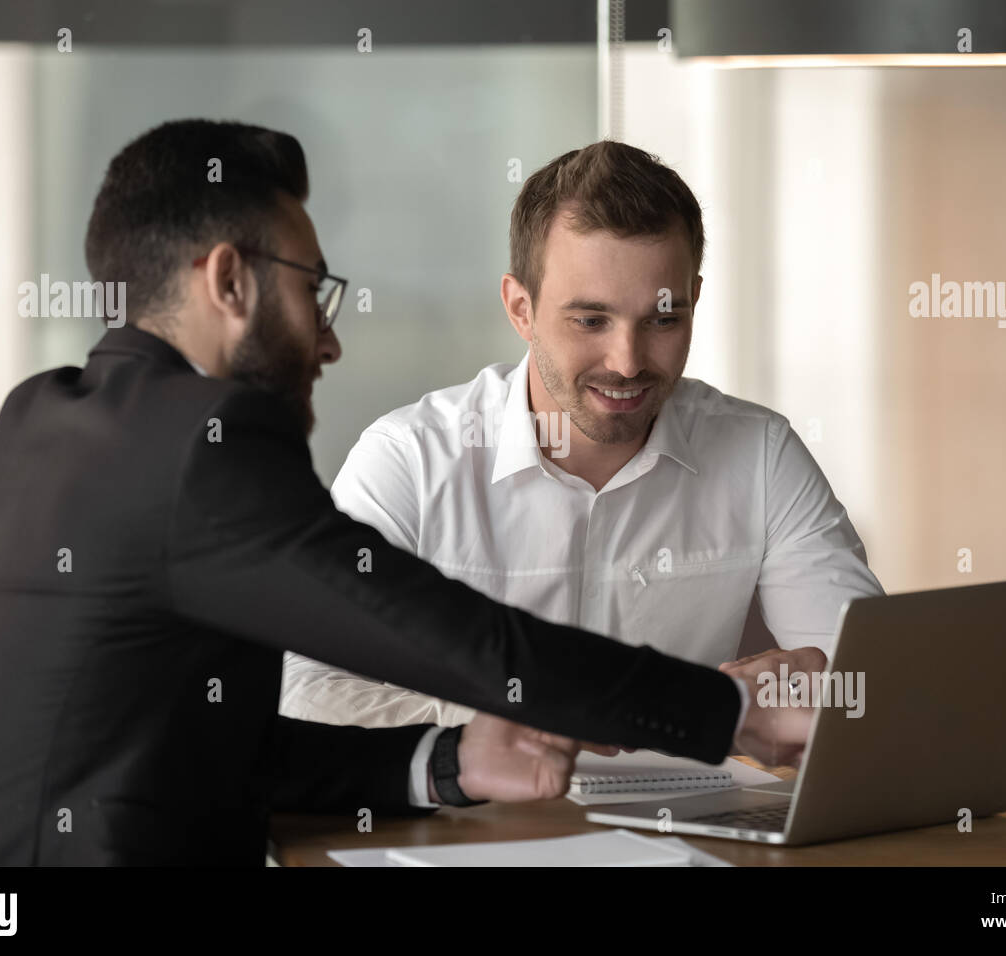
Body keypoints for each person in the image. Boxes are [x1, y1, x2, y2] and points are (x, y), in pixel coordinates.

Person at [0, 120, 808, 867]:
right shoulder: (205, 446)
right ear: (229, 281)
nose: (328, 342)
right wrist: (727, 713)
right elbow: (456, 636)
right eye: (313, 292)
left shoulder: (42, 420)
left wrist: (444, 761)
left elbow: (214, 750)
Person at [282, 140, 884, 729]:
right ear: (521, 309)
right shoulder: (410, 461)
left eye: (663, 319)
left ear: (695, 300)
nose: (627, 361)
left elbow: (871, 678)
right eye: (591, 320)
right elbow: (303, 687)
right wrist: (527, 722)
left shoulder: (760, 453)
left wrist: (813, 692)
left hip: (682, 826)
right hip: (469, 824)